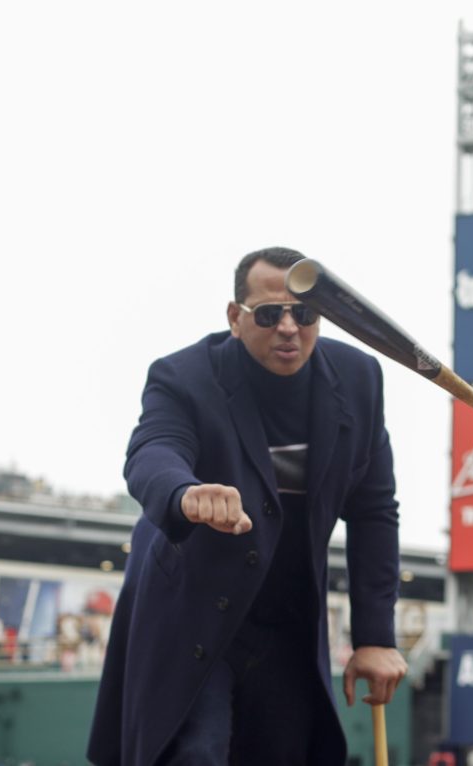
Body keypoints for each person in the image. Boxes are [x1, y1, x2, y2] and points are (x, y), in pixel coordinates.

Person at [88, 247, 407, 765]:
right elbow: (153, 451)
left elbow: (373, 510)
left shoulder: (359, 380)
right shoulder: (184, 376)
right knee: (195, 754)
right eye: (268, 313)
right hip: (192, 610)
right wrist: (184, 493)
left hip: (288, 618)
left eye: (303, 313)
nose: (288, 327)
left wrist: (375, 636)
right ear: (235, 317)